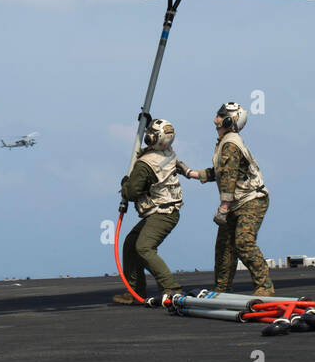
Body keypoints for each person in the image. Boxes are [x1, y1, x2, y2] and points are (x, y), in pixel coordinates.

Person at [185, 102, 274, 296]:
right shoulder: (226, 142)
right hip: (238, 201)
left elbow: (230, 176)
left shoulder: (230, 144)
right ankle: (222, 290)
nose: (215, 118)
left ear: (228, 120)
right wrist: (189, 172)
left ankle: (264, 287)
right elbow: (220, 171)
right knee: (224, 248)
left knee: (243, 242)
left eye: (220, 115)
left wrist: (223, 207)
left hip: (251, 200)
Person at [113, 118, 194, 305]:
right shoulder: (167, 152)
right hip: (167, 211)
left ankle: (171, 288)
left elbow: (132, 192)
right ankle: (135, 291)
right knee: (130, 243)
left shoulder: (145, 164)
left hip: (162, 213)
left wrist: (125, 185)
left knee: (143, 247)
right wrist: (147, 121)